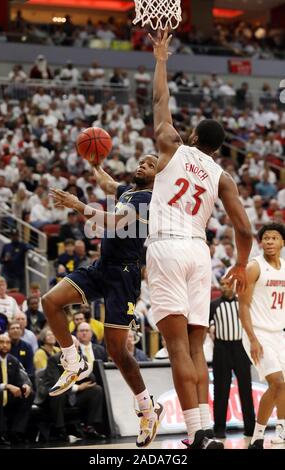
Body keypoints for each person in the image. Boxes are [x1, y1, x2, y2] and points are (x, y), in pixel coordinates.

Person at [146, 30, 253, 450]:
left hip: (168, 246)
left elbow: (159, 104)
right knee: (194, 346)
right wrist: (241, 263)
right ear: (219, 148)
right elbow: (244, 229)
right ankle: (206, 428)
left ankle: (195, 433)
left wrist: (160, 58)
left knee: (175, 347)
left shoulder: (172, 146)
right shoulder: (223, 176)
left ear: (192, 137)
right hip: (199, 250)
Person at [42, 155, 165, 447]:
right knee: (50, 301)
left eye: (149, 165)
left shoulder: (148, 198)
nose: (142, 165)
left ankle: (147, 408)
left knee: (117, 351)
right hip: (102, 266)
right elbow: (110, 184)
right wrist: (96, 165)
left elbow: (114, 220)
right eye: (141, 162)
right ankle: (73, 361)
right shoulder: (131, 191)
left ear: (158, 176)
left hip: (124, 275)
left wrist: (78, 205)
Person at [238, 223, 285, 449]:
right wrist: (253, 339)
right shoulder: (254, 267)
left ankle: (282, 432)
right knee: (276, 382)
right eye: (266, 238)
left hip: (278, 333)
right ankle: (257, 437)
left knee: (284, 385)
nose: (269, 242)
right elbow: (243, 306)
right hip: (257, 333)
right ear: (261, 242)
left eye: (274, 238)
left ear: (282, 242)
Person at [209, 278, 255, 438]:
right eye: (222, 284)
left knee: (245, 389)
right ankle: (219, 429)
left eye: (227, 284)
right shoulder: (213, 305)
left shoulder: (242, 304)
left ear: (234, 286)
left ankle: (251, 428)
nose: (224, 287)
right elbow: (208, 326)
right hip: (221, 349)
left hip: (240, 348)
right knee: (220, 390)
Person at [0, 334, 34, 445]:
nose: (5, 345)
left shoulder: (13, 360)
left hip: (8, 396)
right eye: (1, 342)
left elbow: (20, 378)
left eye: (7, 342)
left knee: (28, 394)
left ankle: (16, 431)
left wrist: (25, 385)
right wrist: (6, 386)